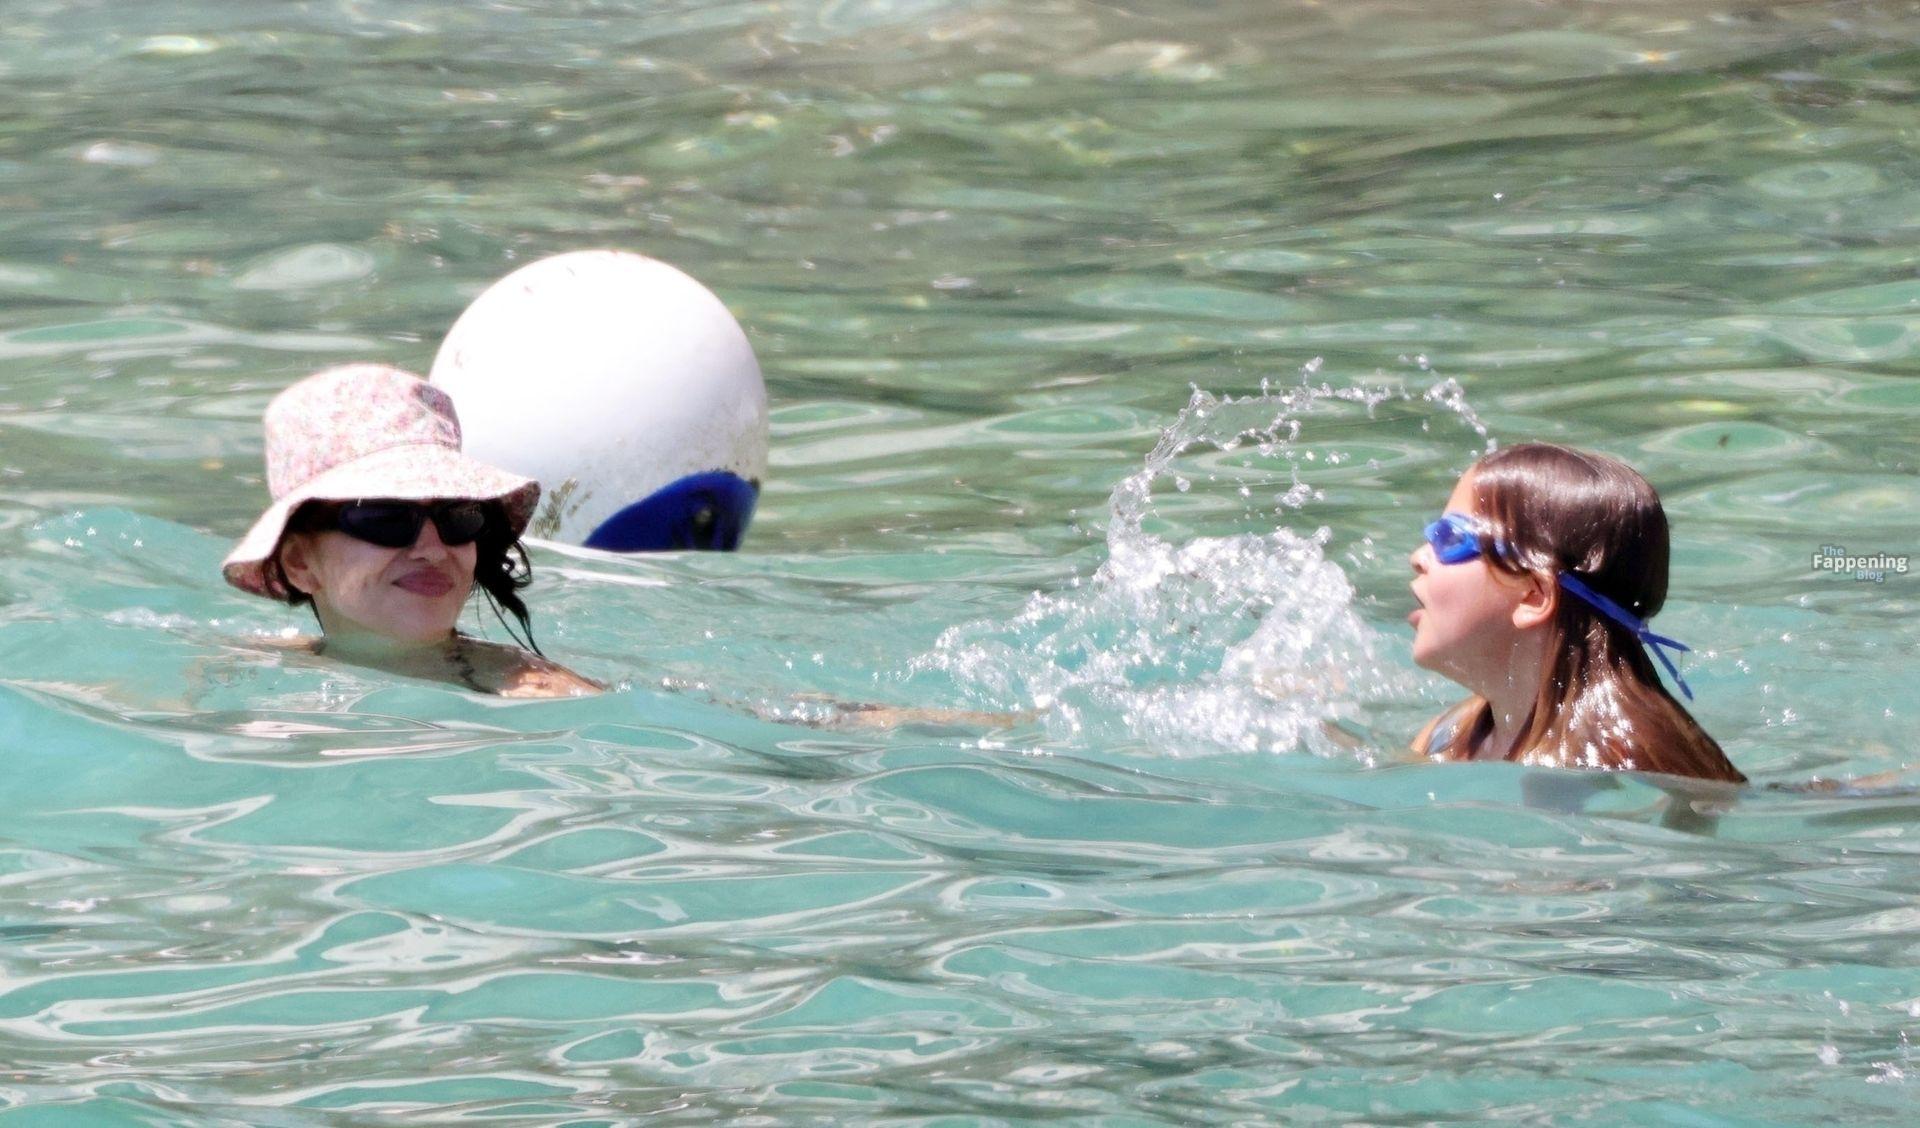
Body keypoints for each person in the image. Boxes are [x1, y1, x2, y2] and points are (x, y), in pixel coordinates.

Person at [222, 364, 601, 697]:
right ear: (299, 563)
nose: (433, 549)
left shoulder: (546, 698)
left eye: (459, 515)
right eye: (386, 519)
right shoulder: (237, 672)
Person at [1407, 442, 1745, 784]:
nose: (1419, 556)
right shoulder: (1455, 732)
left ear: (1534, 596)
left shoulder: (1619, 766)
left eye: (1450, 538)